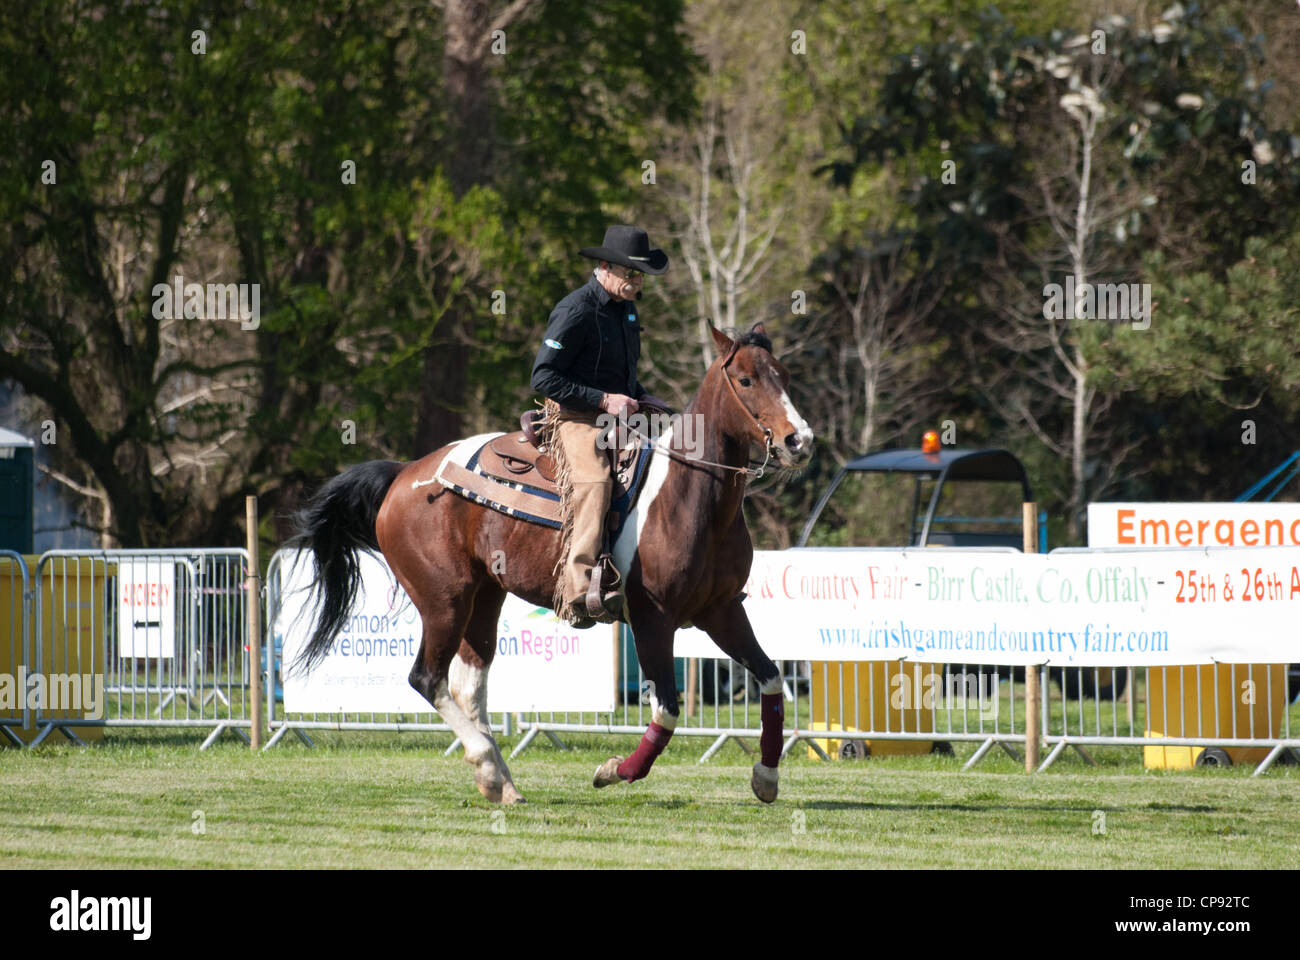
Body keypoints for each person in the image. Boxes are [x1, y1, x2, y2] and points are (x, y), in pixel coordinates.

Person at [531, 225, 669, 628]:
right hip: (575, 416)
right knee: (595, 483)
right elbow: (543, 378)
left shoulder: (626, 309)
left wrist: (642, 394)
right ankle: (578, 589)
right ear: (605, 267)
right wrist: (604, 400)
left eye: (641, 274)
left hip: (622, 415)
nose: (637, 281)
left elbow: (617, 373)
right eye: (631, 273)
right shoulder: (575, 309)